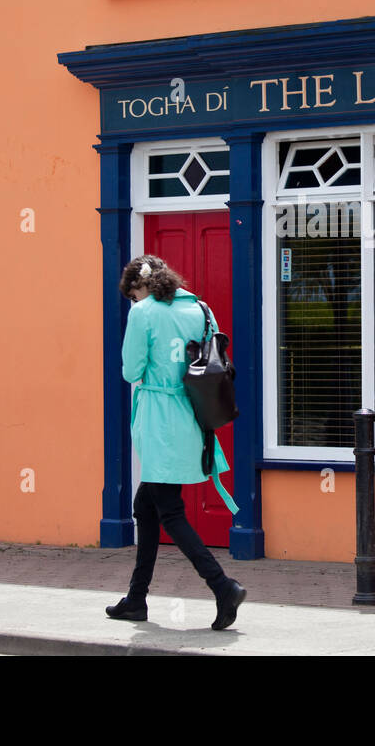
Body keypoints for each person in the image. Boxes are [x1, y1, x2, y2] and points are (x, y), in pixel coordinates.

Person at [105, 254, 246, 630]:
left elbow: (130, 370)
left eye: (132, 294)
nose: (133, 302)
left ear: (141, 287)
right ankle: (136, 599)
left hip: (158, 418)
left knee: (169, 510)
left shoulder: (144, 313)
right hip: (193, 416)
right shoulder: (200, 307)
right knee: (145, 506)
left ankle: (222, 586)